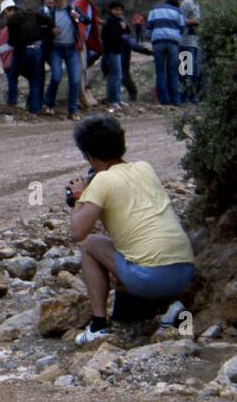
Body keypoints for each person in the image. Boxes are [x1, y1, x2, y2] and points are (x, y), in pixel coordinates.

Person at [67, 116, 195, 346]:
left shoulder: (102, 181)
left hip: (149, 277)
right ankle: (167, 308)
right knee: (130, 247)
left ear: (90, 156)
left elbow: (78, 232)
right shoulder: (144, 168)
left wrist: (80, 197)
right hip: (184, 272)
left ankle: (98, 326)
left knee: (91, 245)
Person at [44, 0, 86, 120]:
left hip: (71, 48)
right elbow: (43, 29)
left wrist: (78, 17)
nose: (58, 0)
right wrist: (51, 31)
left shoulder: (72, 10)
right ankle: (49, 104)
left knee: (74, 80)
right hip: (56, 49)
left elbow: (87, 20)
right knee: (56, 77)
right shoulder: (50, 13)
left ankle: (72, 110)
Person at [1, 0, 44, 114]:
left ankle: (12, 103)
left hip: (20, 53)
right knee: (35, 80)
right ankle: (35, 109)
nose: (5, 17)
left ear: (11, 10)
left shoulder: (11, 24)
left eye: (5, 14)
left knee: (13, 77)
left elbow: (10, 44)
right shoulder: (31, 17)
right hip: (35, 51)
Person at [146, 0, 186, 107]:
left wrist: (149, 36)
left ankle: (164, 100)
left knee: (160, 71)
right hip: (173, 42)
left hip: (158, 42)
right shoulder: (178, 11)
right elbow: (182, 28)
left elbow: (149, 26)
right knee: (173, 71)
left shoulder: (154, 9)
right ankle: (176, 100)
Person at [100, 1, 131, 110]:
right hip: (111, 51)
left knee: (118, 75)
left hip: (116, 51)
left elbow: (128, 31)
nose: (118, 11)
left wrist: (124, 27)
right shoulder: (110, 21)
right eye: (116, 9)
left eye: (120, 9)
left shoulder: (119, 20)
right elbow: (114, 35)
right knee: (115, 76)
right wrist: (122, 29)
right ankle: (113, 100)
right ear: (111, 10)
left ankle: (117, 99)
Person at [179, 0, 203, 104]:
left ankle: (191, 96)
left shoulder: (196, 4)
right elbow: (180, 19)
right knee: (187, 70)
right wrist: (192, 21)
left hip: (194, 40)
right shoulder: (187, 2)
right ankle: (185, 97)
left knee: (194, 70)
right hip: (186, 41)